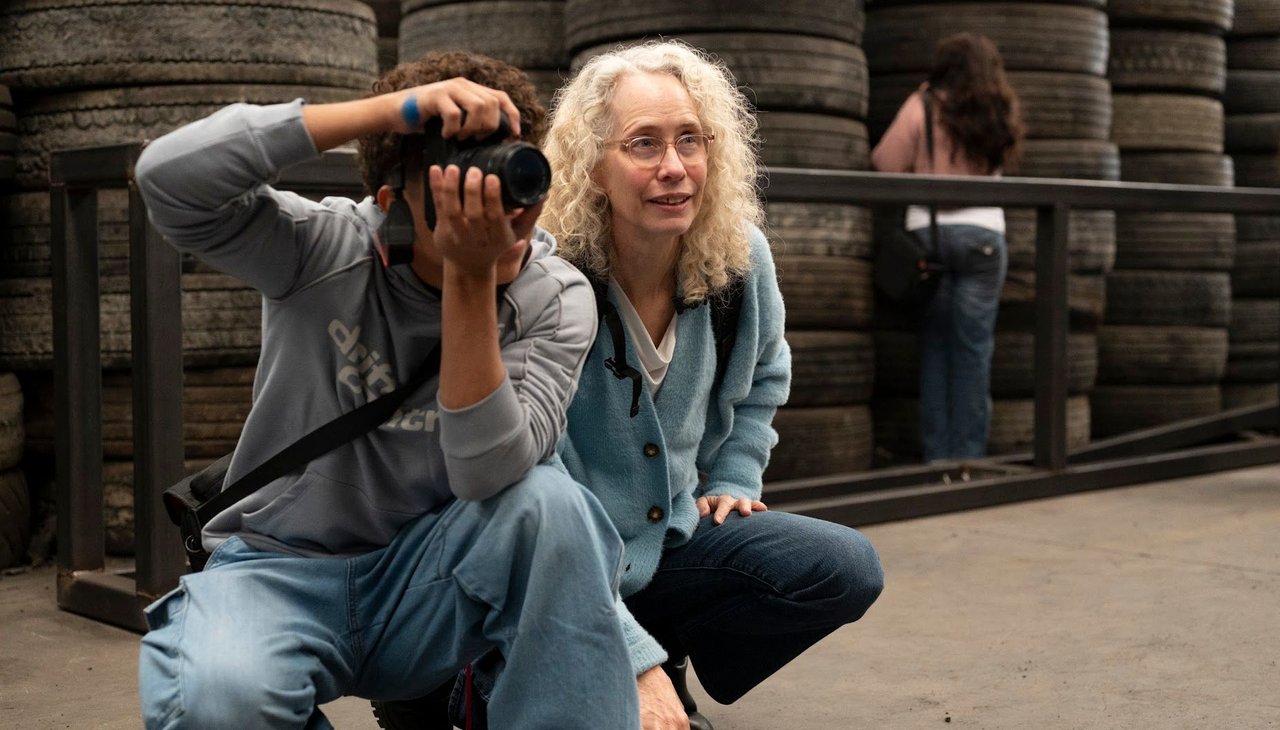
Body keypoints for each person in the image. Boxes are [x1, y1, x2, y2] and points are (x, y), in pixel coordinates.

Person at [383, 40, 885, 730]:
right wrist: (625, 653)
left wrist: (736, 475)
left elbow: (767, 373)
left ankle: (658, 650)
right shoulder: (543, 280)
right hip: (544, 560)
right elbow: (529, 478)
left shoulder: (739, 257)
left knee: (842, 566)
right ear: (592, 165)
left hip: (669, 539)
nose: (674, 168)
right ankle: (484, 671)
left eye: (690, 141)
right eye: (643, 144)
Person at [133, 52, 638, 730]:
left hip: (431, 579)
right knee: (218, 701)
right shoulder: (321, 248)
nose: (504, 213)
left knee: (551, 505)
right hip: (279, 571)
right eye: (458, 189)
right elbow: (166, 180)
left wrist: (469, 277)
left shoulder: (555, 294)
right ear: (391, 203)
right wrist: (390, 112)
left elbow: (487, 470)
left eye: (518, 177)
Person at [871, 32, 1024, 463]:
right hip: (984, 238)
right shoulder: (1000, 109)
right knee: (973, 353)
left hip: (931, 238)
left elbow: (884, 162)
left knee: (936, 351)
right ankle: (969, 460)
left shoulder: (924, 105)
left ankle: (937, 461)